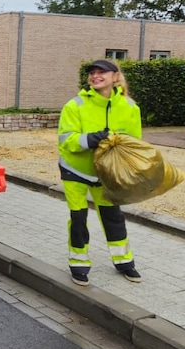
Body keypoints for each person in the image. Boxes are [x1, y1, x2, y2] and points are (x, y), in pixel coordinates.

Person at [57, 59, 143, 287]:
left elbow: (134, 142)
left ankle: (124, 262)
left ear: (115, 76)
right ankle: (79, 264)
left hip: (106, 173)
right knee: (78, 218)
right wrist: (93, 138)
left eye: (101, 72)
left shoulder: (130, 107)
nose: (95, 76)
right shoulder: (74, 105)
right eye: (92, 73)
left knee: (113, 217)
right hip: (75, 169)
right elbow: (66, 140)